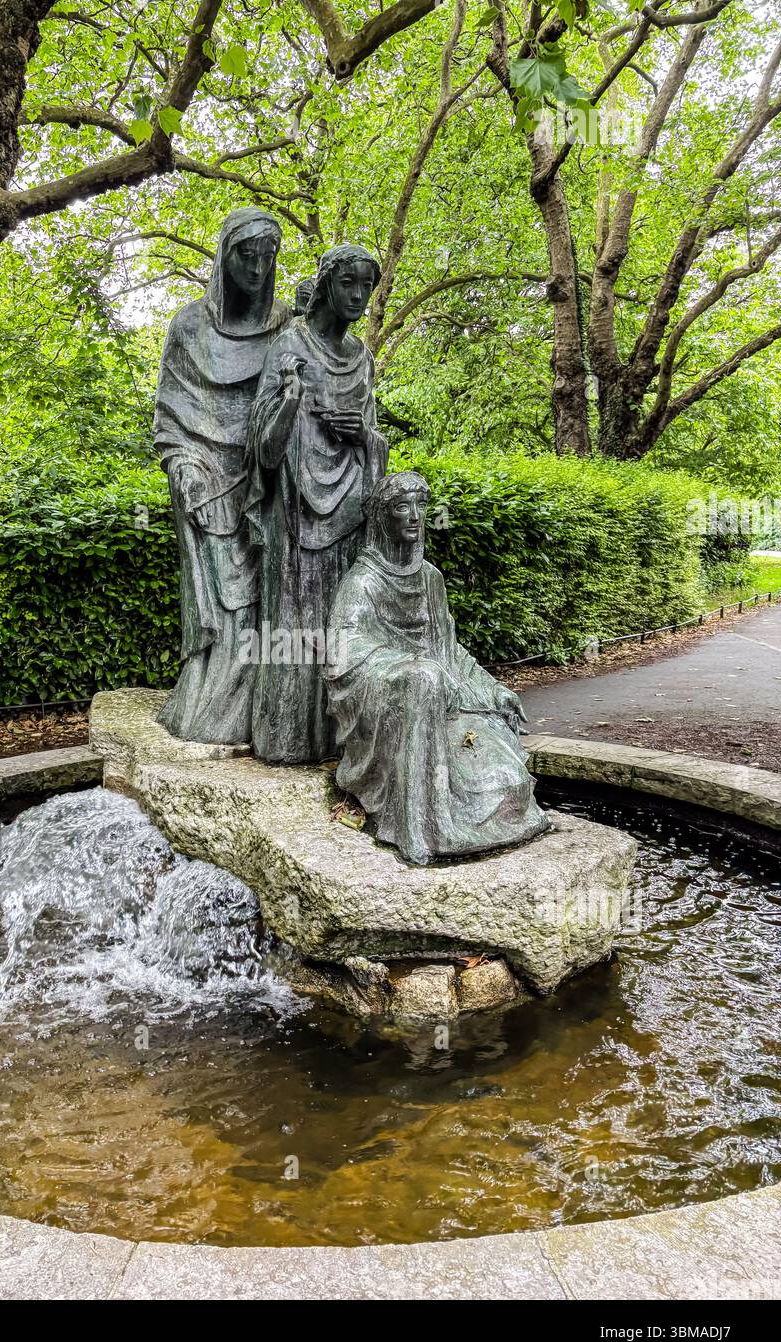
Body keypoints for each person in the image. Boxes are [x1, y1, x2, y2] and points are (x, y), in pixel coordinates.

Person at [324, 472, 550, 865]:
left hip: (446, 705)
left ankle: (460, 821)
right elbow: (343, 648)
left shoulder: (431, 579)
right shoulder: (363, 581)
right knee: (422, 680)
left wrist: (493, 688)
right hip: (396, 702)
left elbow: (451, 651)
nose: (414, 516)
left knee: (506, 782)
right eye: (401, 507)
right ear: (382, 517)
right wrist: (411, 666)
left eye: (421, 507)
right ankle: (423, 828)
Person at [244, 244, 387, 763]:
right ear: (326, 283)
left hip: (348, 506)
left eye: (365, 289)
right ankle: (287, 738)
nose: (356, 297)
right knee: (296, 626)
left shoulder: (362, 358)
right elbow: (263, 446)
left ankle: (341, 740)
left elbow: (374, 440)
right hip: (295, 509)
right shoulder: (289, 346)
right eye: (348, 284)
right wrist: (290, 401)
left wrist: (362, 434)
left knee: (343, 622)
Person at [154, 208, 290, 744]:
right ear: (224, 258)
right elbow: (170, 421)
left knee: (271, 599)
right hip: (207, 480)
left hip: (268, 483)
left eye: (268, 255)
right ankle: (214, 704)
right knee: (229, 605)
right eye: (246, 254)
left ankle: (274, 709)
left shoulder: (286, 329)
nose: (257, 267)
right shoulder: (188, 327)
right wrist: (185, 468)